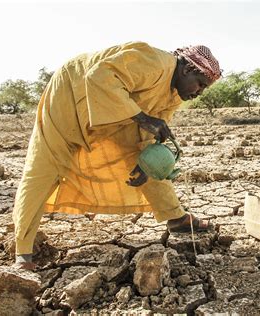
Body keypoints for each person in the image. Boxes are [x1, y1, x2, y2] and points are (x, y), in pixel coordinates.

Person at [12, 42, 222, 270]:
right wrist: (143, 119)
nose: (199, 93)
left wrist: (145, 163)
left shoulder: (175, 94)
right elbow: (99, 76)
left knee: (151, 157)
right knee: (45, 166)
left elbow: (151, 133)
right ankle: (23, 251)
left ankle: (176, 218)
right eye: (200, 84)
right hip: (70, 94)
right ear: (186, 70)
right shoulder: (154, 62)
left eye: (204, 89)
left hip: (117, 110)